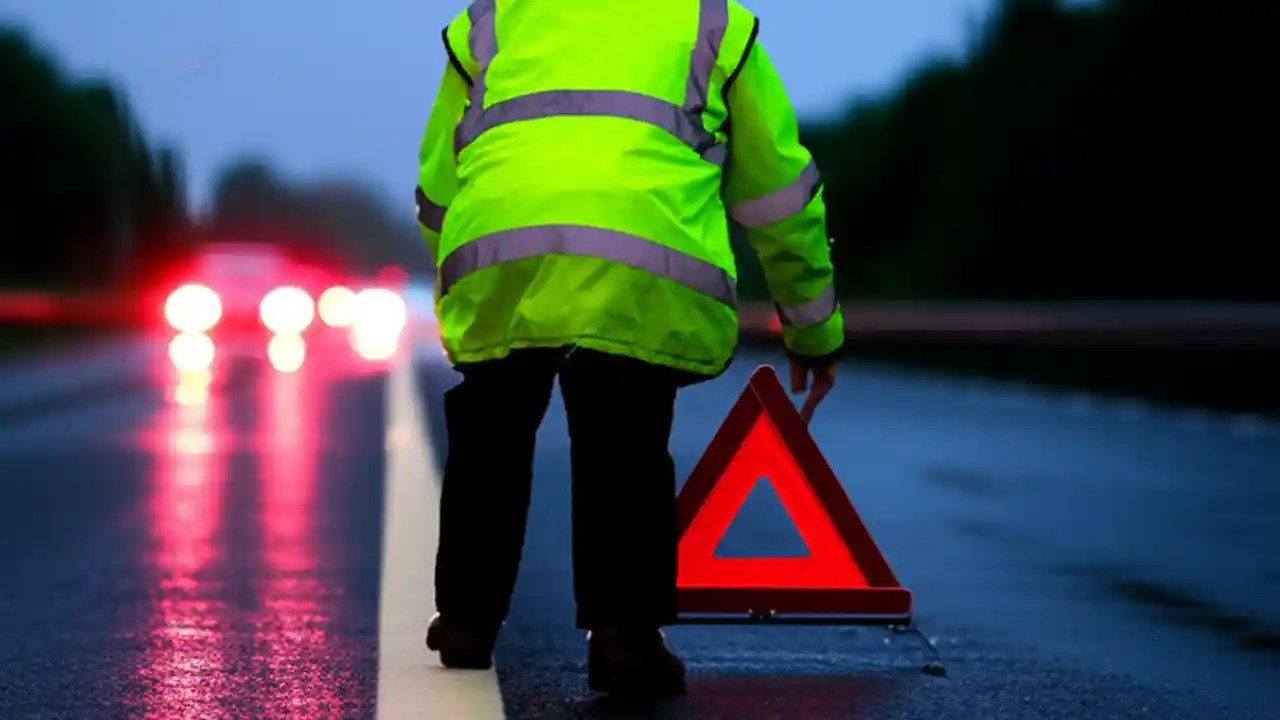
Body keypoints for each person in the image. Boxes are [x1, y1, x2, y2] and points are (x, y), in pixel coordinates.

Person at [414, 0, 843, 698]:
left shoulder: (492, 21)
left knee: (493, 421)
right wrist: (814, 328)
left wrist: (469, 284)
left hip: (498, 244)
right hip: (642, 257)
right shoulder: (715, 24)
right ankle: (624, 641)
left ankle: (466, 619)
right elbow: (780, 198)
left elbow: (439, 185)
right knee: (623, 431)